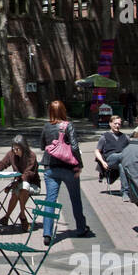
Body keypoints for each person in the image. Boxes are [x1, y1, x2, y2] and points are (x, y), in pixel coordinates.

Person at [40, 100, 90, 237]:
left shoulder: (46, 126)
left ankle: (47, 233)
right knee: (75, 199)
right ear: (64, 111)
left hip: (50, 168)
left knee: (50, 200)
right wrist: (79, 165)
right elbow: (74, 147)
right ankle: (80, 227)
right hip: (68, 168)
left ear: (50, 112)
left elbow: (42, 145)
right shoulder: (68, 126)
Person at [0, 135, 40, 229]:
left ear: (24, 147)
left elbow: (28, 174)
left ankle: (22, 215)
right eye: (13, 148)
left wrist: (14, 184)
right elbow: (4, 163)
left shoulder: (31, 156)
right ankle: (7, 217)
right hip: (18, 182)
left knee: (23, 187)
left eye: (17, 149)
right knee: (16, 192)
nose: (15, 151)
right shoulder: (11, 154)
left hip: (32, 184)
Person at [94, 115, 130, 200]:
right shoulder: (105, 136)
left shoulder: (125, 137)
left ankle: (125, 192)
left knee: (122, 165)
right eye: (115, 123)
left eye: (119, 124)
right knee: (121, 156)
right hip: (110, 160)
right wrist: (102, 162)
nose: (117, 126)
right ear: (110, 124)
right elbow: (97, 151)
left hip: (121, 161)